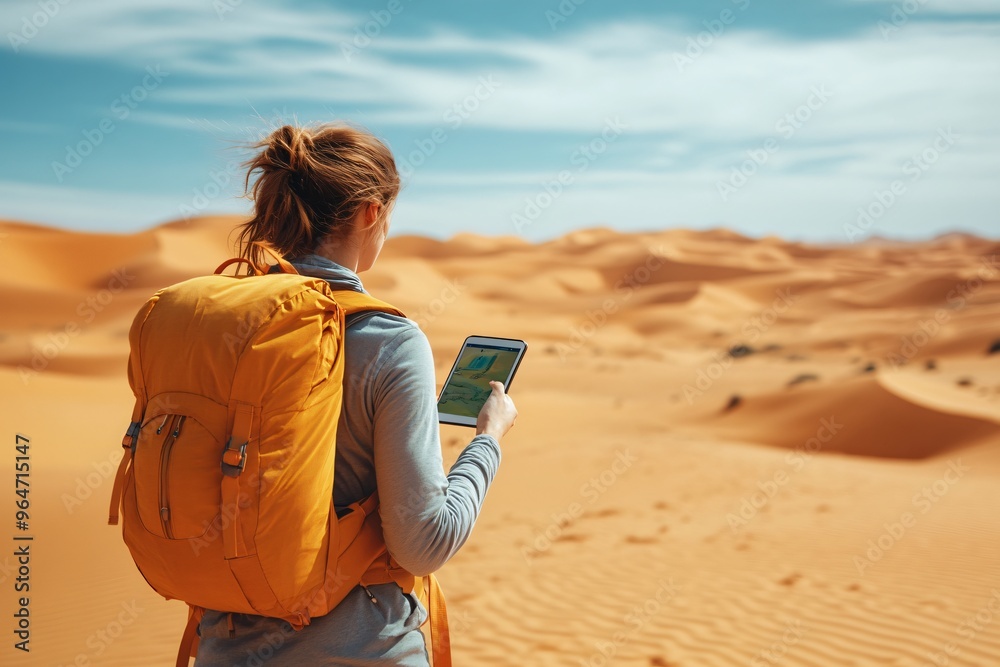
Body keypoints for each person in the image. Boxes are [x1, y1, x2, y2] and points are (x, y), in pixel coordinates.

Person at [194, 123, 518, 665]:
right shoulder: (389, 340)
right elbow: (424, 542)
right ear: (372, 211)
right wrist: (488, 439)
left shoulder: (219, 324)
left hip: (224, 647)